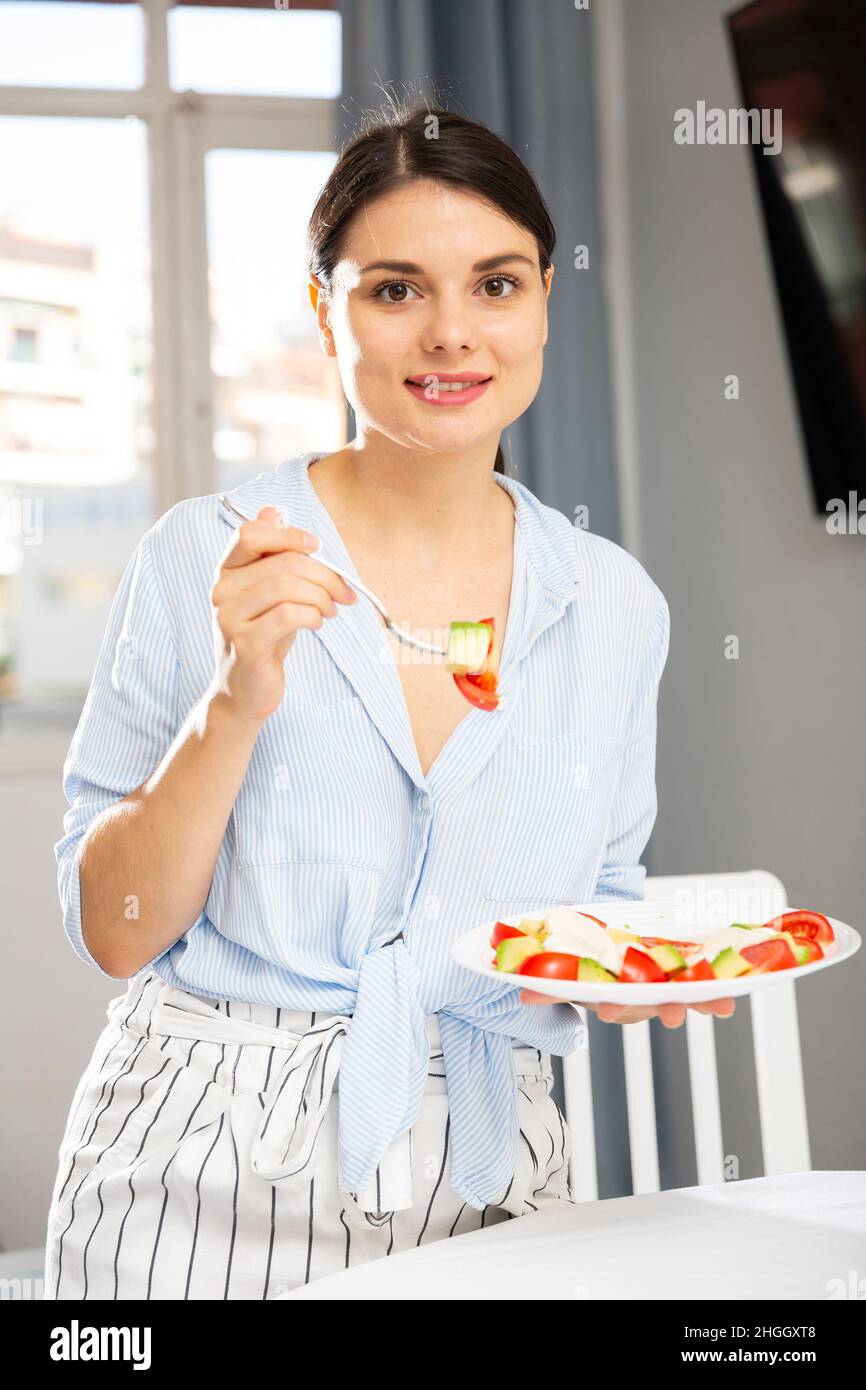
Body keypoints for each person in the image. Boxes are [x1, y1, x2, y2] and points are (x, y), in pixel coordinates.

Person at [43, 100, 734, 1301]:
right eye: (396, 289)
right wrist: (235, 700)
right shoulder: (199, 555)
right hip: (202, 1164)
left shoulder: (614, 604)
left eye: (497, 285)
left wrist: (638, 976)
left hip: (492, 1171)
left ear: (543, 305)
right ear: (325, 308)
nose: (452, 335)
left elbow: (597, 907)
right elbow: (116, 928)